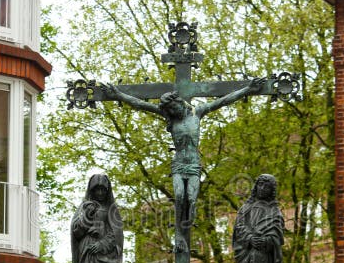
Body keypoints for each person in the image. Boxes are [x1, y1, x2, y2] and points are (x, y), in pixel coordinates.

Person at [102, 78, 264, 252]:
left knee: (191, 200)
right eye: (170, 111)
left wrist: (247, 89)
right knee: (179, 196)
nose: (174, 112)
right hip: (179, 165)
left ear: (179, 103)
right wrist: (118, 95)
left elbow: (224, 100)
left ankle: (186, 230)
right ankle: (179, 237)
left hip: (194, 165)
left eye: (174, 108)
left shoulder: (197, 113)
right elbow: (139, 104)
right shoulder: (171, 117)